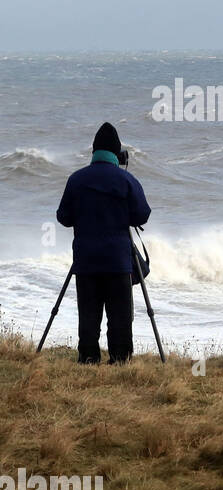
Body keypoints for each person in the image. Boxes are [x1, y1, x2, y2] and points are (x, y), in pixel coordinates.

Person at [55, 123, 152, 364]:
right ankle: (120, 360)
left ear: (94, 151)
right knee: (119, 315)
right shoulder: (126, 180)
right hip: (118, 261)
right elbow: (142, 215)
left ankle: (88, 358)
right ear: (117, 154)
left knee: (88, 313)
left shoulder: (76, 179)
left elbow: (63, 217)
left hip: (86, 260)